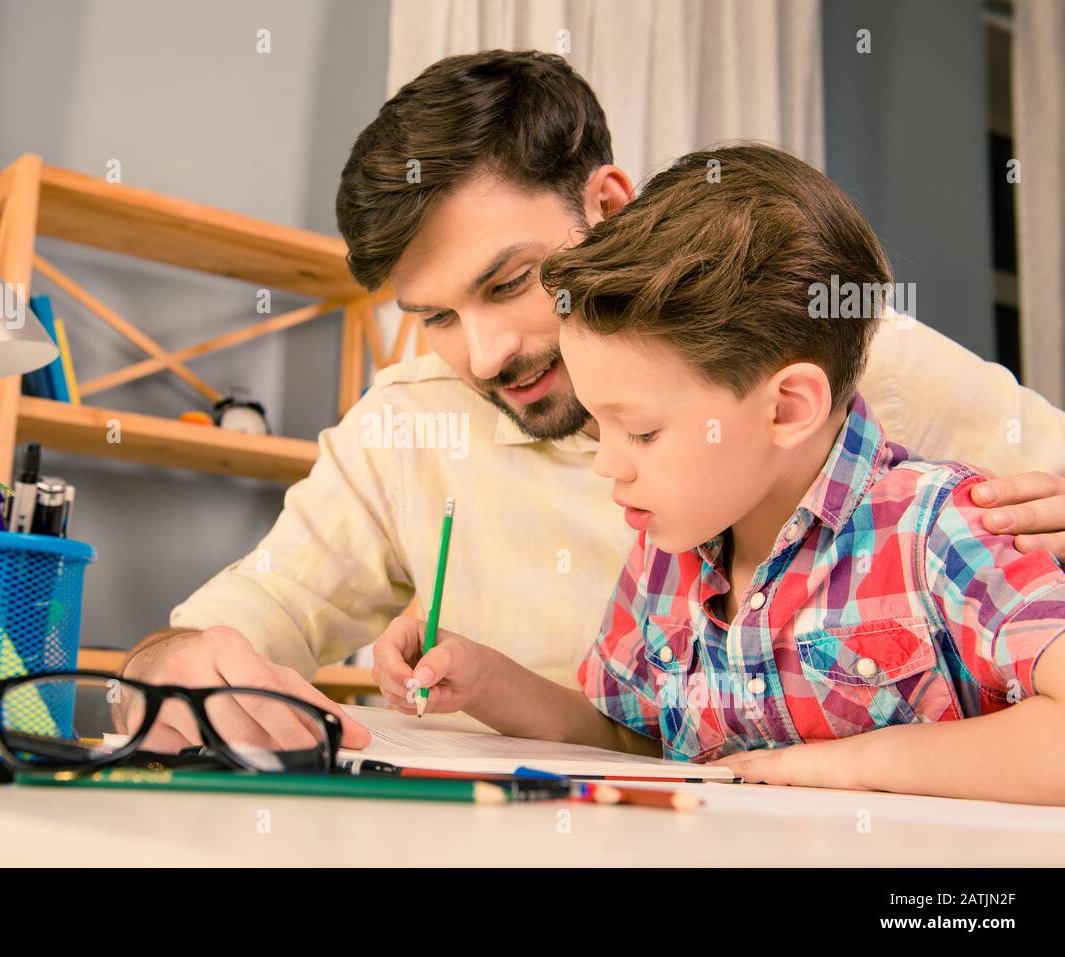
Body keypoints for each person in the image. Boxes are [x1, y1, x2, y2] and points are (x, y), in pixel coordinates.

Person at [123, 50, 1065, 755]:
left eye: (510, 283)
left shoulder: (834, 348)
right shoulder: (410, 421)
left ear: (608, 208)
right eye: (435, 317)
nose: (486, 355)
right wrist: (170, 659)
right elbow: (265, 599)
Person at [371, 144, 1065, 804]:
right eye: (600, 422)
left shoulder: (941, 529)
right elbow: (630, 740)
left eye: (641, 430)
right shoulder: (666, 555)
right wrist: (487, 680)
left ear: (788, 408)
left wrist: (850, 765)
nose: (608, 461)